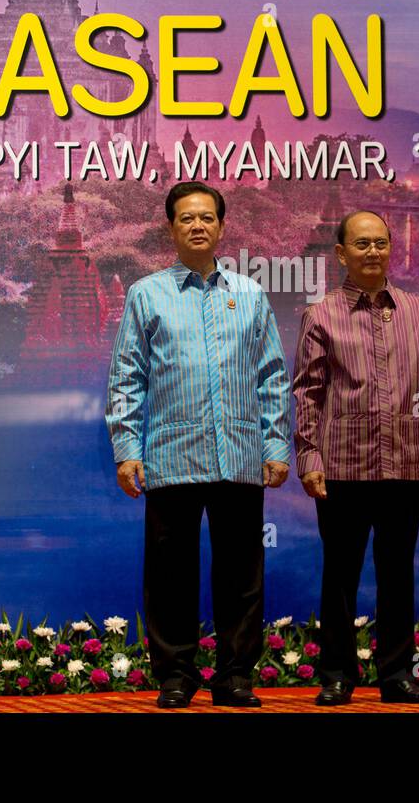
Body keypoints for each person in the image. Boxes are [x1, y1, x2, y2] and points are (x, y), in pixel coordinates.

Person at [105, 181, 292, 708]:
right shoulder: (147, 294)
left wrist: (276, 446)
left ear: (222, 227)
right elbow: (127, 376)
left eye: (207, 217)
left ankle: (234, 675)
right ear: (171, 228)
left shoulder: (250, 294)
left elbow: (272, 375)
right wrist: (127, 448)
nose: (197, 226)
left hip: (238, 453)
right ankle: (176, 676)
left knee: (241, 573)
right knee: (170, 573)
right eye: (186, 218)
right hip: (169, 453)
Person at [292, 210, 419, 706]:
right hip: (342, 464)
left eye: (380, 243)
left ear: (391, 249)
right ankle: (337, 674)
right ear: (341, 253)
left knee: (397, 570)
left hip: (404, 462)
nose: (373, 252)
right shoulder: (321, 315)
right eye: (361, 244)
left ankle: (397, 673)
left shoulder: (417, 311)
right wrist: (308, 457)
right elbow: (306, 394)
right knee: (339, 573)